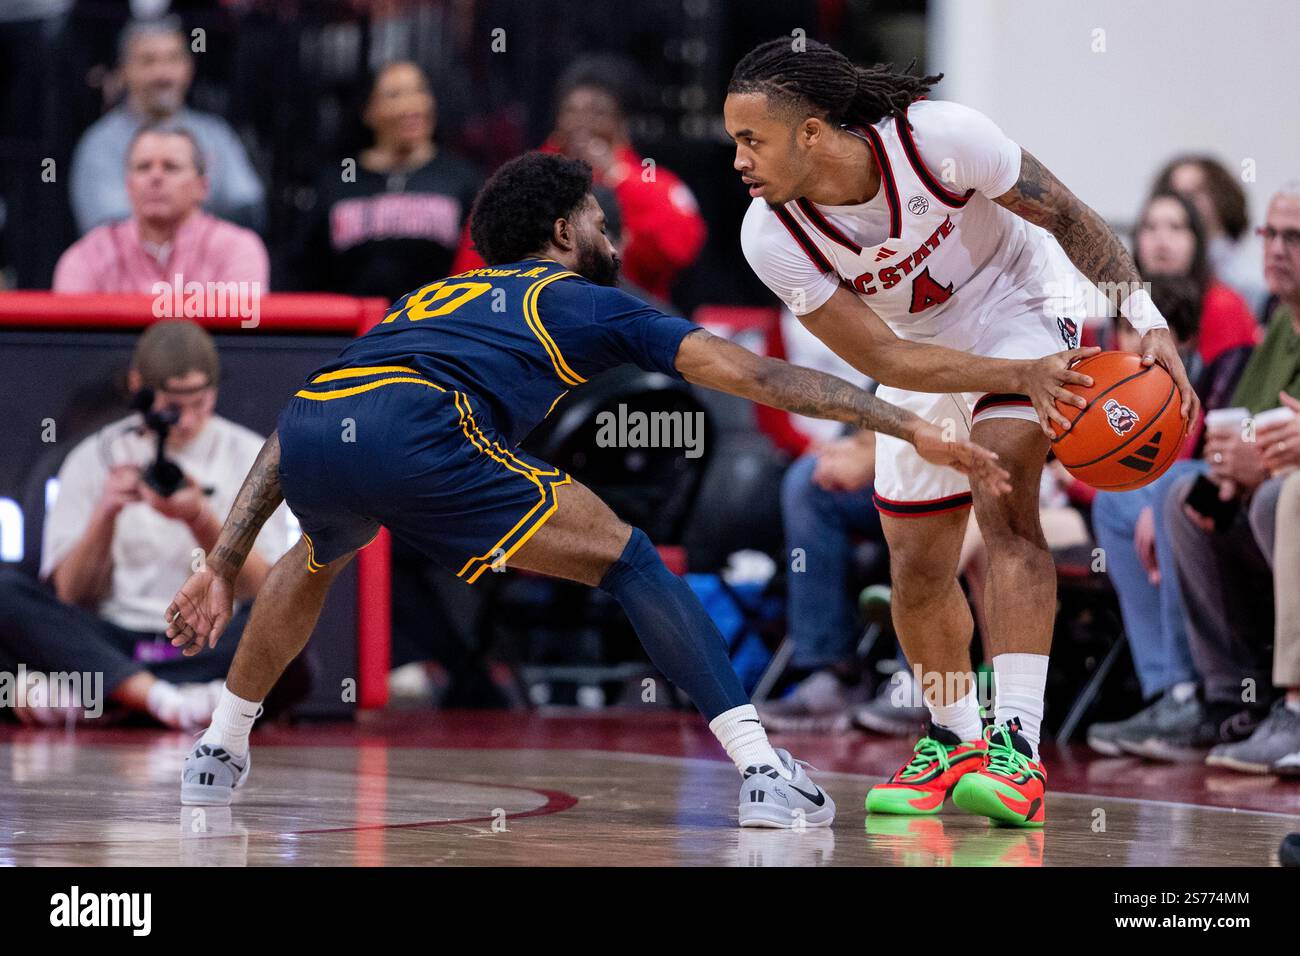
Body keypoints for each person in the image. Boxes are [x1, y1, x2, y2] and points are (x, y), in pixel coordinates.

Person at [163, 152, 1011, 828]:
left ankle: (219, 748)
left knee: (318, 552)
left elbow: (294, 427)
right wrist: (904, 424)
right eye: (603, 223)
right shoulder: (582, 302)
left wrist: (221, 559)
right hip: (421, 432)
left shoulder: (428, 297)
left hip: (315, 425)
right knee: (633, 563)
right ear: (566, 230)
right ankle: (762, 771)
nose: (613, 239)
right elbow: (753, 373)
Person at [726, 37, 1196, 827]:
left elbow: (1072, 217)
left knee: (1006, 500)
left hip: (1022, 301)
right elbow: (882, 355)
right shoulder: (772, 236)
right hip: (926, 357)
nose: (738, 160)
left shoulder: (939, 139)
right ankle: (955, 737)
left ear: (810, 131)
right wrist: (1011, 379)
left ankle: (1018, 746)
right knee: (913, 563)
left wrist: (1142, 316)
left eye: (751, 139)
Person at [0, 321, 292, 728]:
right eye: (173, 405)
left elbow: (264, 592)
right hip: (114, 635)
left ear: (215, 390)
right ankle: (174, 700)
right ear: (139, 386)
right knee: (7, 596)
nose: (186, 420)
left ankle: (109, 695)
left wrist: (199, 519)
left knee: (290, 642)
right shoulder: (94, 456)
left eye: (200, 403)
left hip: (205, 640)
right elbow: (70, 594)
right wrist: (106, 514)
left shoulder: (250, 454)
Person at [1150, 184, 1300, 767]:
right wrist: (1231, 468)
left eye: (1295, 237)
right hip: (1270, 498)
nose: (1278, 248)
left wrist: (1261, 467)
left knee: (1278, 501)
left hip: (1283, 500)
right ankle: (1229, 697)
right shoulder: (1281, 325)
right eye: (1271, 234)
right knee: (1187, 496)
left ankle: (1293, 705)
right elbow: (1248, 427)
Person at [1086, 276, 1254, 755]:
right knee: (1114, 500)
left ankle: (1186, 689)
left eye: (1145, 331)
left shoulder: (1185, 389)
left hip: (1204, 492)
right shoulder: (1100, 383)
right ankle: (1166, 691)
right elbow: (1078, 467)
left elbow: (1178, 455)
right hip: (1129, 498)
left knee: (1161, 493)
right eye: (1124, 329)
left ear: (1179, 342)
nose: (1132, 343)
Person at [453, 55, 707, 305]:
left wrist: (618, 176)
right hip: (529, 317)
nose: (582, 122)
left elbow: (680, 249)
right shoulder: (523, 178)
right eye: (572, 111)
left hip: (627, 317)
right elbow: (474, 259)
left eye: (597, 112)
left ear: (622, 122)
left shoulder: (653, 182)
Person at [293, 61, 481, 300]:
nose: (411, 105)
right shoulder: (336, 182)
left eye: (419, 91)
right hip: (354, 332)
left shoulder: (462, 180)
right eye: (394, 95)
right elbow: (305, 267)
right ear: (368, 111)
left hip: (436, 329)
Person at [69, 16, 265, 234]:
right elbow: (109, 229)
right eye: (148, 61)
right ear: (124, 71)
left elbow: (247, 210)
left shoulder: (216, 133)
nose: (163, 74)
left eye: (173, 59)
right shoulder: (100, 143)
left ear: (189, 67)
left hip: (211, 265)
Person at [53, 125, 268, 294]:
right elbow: (73, 344)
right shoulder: (88, 256)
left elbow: (240, 340)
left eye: (171, 167)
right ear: (129, 186)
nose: (155, 177)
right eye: (143, 167)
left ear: (202, 187)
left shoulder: (237, 250)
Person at [1130, 190, 1259, 369]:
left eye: (1176, 227)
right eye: (1150, 227)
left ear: (1197, 240)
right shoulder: (1123, 303)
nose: (1161, 240)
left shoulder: (1224, 305)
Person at [1154, 155, 1268, 317]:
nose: (1182, 203)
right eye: (1175, 194)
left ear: (1221, 197)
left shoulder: (1249, 280)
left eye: (1194, 193)